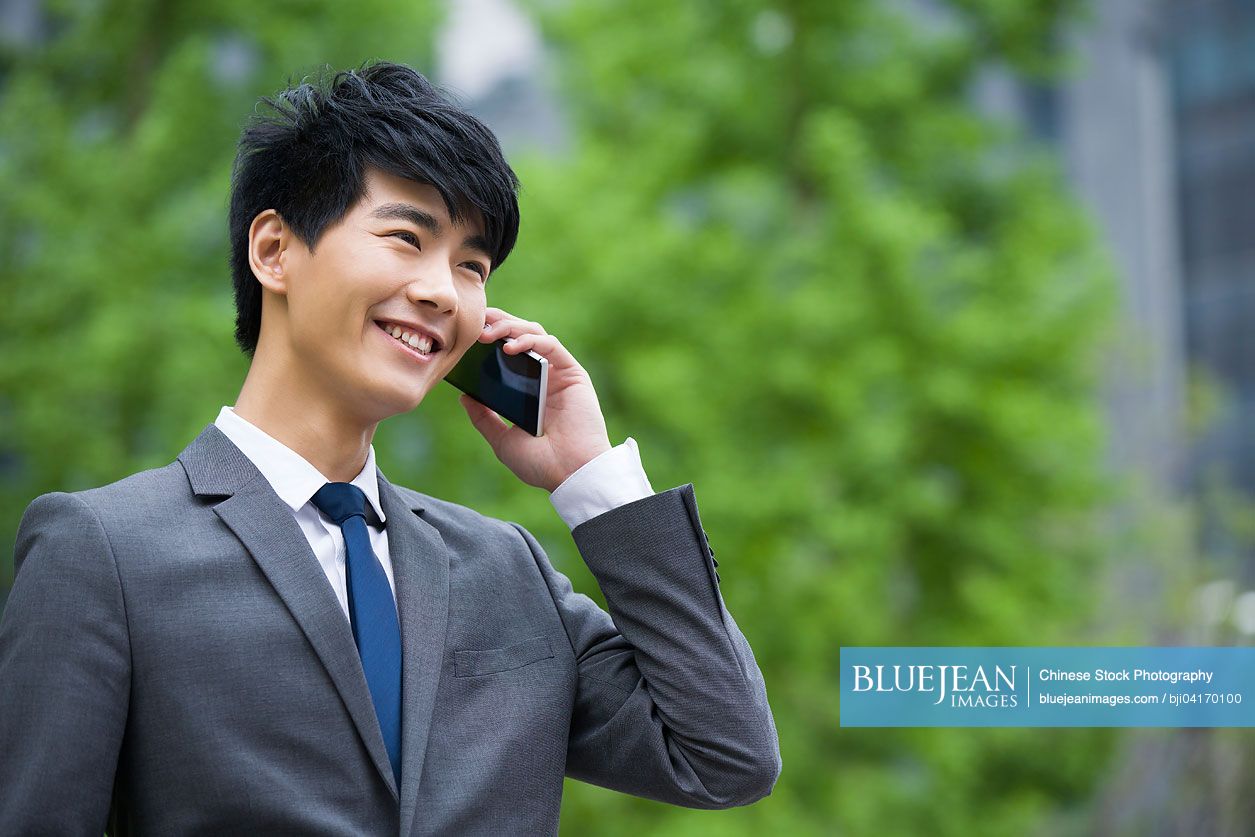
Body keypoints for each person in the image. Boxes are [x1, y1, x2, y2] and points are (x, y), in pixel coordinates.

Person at [0, 61, 780, 835]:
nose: (444, 290)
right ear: (273, 249)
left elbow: (723, 753)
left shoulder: (506, 570)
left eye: (471, 266)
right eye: (407, 237)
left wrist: (591, 478)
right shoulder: (103, 551)